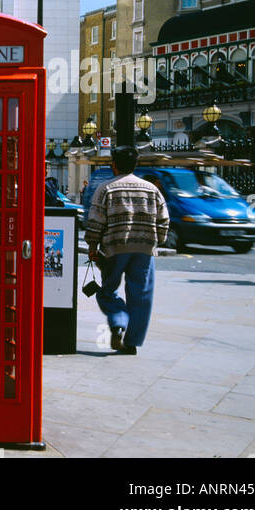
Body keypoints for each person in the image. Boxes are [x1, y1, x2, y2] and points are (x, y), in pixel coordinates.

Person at [84, 146, 169, 355]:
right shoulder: (151, 189)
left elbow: (95, 221)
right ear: (135, 164)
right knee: (141, 296)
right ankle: (131, 343)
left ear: (114, 164)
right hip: (144, 247)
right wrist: (158, 240)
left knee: (108, 291)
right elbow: (163, 219)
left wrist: (93, 246)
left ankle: (118, 322)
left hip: (114, 247)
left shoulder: (106, 189)